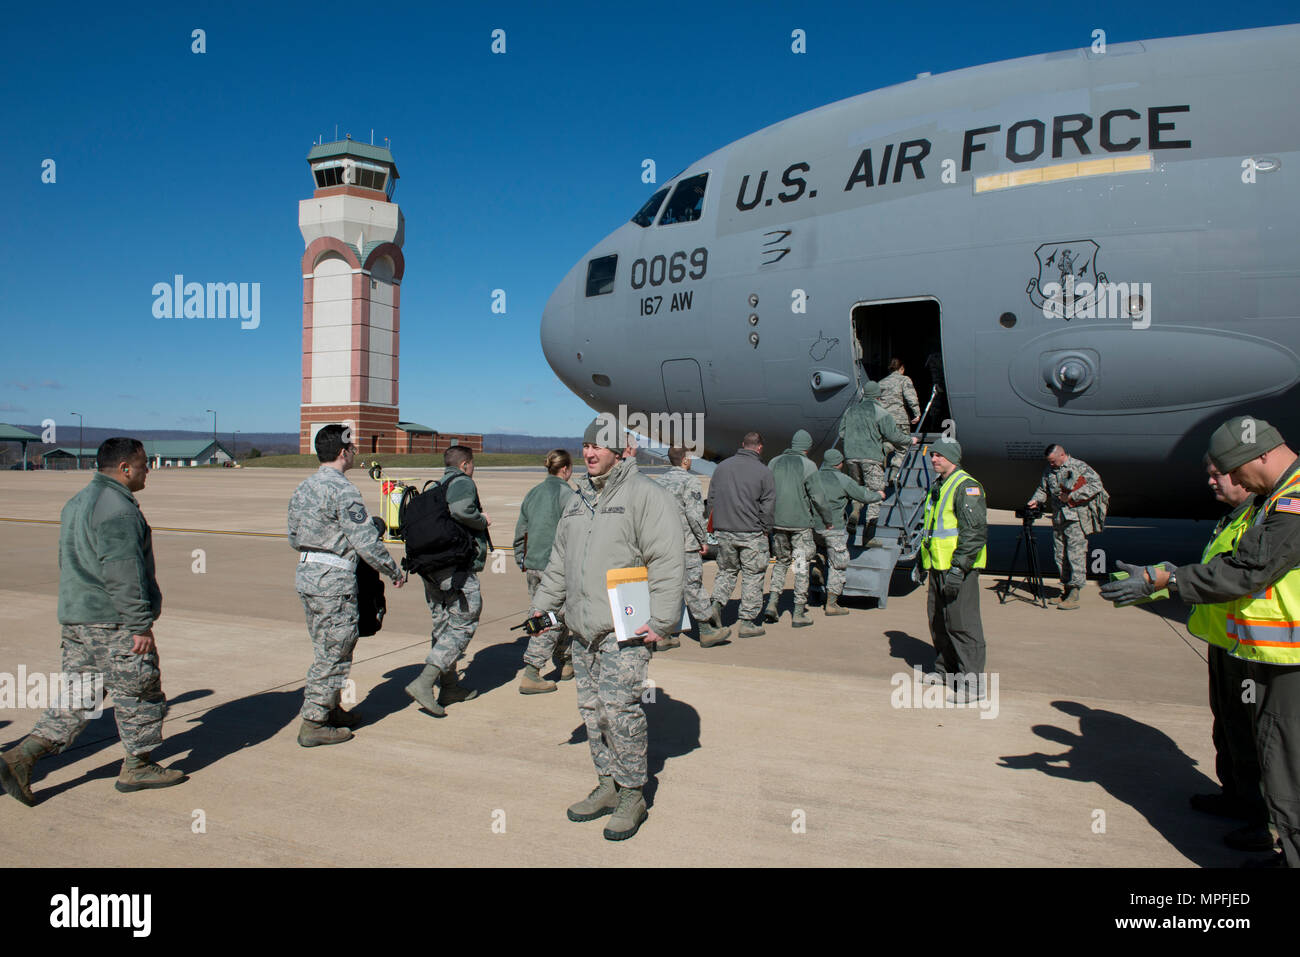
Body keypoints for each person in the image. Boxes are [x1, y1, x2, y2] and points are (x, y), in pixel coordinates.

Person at [1101, 417, 1300, 867]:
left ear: (1261, 456)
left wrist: (1163, 579)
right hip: (1265, 649)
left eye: (1232, 471)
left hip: (1289, 658)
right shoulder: (1274, 498)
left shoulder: (1292, 502)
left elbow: (1248, 570)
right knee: (1263, 750)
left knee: (1286, 768)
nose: (1229, 481)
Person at [1, 437, 186, 804]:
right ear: (124, 468)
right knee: (140, 692)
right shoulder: (117, 509)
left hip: (78, 619)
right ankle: (138, 765)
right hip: (113, 622)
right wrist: (139, 625)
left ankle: (21, 757)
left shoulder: (77, 503)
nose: (148, 469)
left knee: (81, 695)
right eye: (143, 463)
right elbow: (122, 572)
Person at [530, 417, 684, 841]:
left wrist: (664, 621)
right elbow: (559, 564)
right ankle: (606, 783)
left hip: (626, 630)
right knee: (593, 712)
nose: (589, 454)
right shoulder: (578, 500)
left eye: (598, 448)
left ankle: (632, 792)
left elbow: (668, 561)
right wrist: (540, 614)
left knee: (621, 712)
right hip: (582, 630)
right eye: (584, 447)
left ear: (620, 451)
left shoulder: (645, 496)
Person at [287, 425, 405, 746]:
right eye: (352, 449)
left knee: (326, 645)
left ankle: (331, 708)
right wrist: (392, 570)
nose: (355, 453)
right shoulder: (344, 490)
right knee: (335, 651)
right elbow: (366, 541)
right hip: (334, 581)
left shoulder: (304, 488)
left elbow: (293, 535)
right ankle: (313, 722)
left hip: (308, 574)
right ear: (343, 452)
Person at [1186, 458, 1271, 853]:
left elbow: (1231, 574)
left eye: (1218, 475)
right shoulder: (1234, 517)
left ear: (1241, 476)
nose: (1211, 482)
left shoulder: (1261, 519)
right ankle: (1234, 795)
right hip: (1222, 639)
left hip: (1247, 645)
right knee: (1227, 724)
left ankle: (1261, 821)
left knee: (1251, 735)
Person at [405, 445, 489, 718]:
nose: (473, 469)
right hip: (455, 568)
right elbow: (463, 511)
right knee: (464, 620)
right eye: (472, 464)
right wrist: (482, 520)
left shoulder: (435, 487)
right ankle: (425, 681)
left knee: (442, 625)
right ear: (465, 464)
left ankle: (450, 686)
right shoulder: (463, 482)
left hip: (432, 568)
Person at [919, 437, 988, 701]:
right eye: (933, 454)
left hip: (958, 568)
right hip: (938, 566)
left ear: (953, 458)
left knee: (963, 624)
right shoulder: (940, 484)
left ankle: (973, 685)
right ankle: (946, 670)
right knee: (938, 620)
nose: (934, 459)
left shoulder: (967, 487)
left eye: (940, 455)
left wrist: (959, 568)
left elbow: (974, 533)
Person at [654, 447, 731, 649]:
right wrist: (702, 540)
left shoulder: (658, 483)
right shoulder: (690, 482)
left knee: (668, 588)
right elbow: (695, 515)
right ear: (686, 460)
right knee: (693, 586)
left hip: (663, 544)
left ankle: (663, 635)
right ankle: (706, 631)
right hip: (686, 544)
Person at [514, 449, 576, 693]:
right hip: (555, 569)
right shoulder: (567, 494)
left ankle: (567, 660)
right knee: (550, 620)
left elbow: (521, 529)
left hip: (533, 564)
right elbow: (575, 533)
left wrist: (522, 558)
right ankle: (532, 671)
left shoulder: (533, 493)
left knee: (555, 616)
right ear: (566, 469)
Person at [763, 429, 835, 628]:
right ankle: (798, 611)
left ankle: (772, 603)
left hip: (777, 524)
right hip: (800, 525)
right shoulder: (808, 465)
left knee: (780, 562)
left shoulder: (774, 462)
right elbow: (818, 497)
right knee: (801, 566)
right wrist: (827, 519)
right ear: (807, 448)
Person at [709, 432, 775, 638]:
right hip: (752, 533)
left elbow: (711, 500)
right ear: (760, 448)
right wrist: (765, 528)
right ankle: (747, 622)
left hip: (725, 531)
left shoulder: (722, 468)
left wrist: (716, 524)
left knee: (726, 572)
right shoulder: (764, 472)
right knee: (753, 575)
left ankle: (716, 607)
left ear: (742, 445)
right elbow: (768, 506)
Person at [1026, 444, 1106, 610]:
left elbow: (1096, 485)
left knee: (1075, 554)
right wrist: (1036, 500)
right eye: (1050, 462)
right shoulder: (1050, 470)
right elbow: (1043, 488)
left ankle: (1074, 592)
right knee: (1060, 554)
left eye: (1054, 461)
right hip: (1058, 519)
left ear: (1062, 455)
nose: (1052, 465)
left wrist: (1072, 495)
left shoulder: (1079, 466)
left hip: (1075, 519)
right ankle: (1066, 589)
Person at [837, 380, 916, 545]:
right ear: (878, 396)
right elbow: (894, 436)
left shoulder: (850, 411)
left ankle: (856, 510)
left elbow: (842, 433)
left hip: (851, 458)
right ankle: (868, 535)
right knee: (876, 494)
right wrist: (910, 440)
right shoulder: (881, 413)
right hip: (871, 459)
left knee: (857, 488)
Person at [813, 449, 872, 615]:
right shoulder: (843, 479)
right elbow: (864, 495)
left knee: (818, 551)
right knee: (838, 564)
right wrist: (878, 494)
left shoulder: (813, 477)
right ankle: (831, 604)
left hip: (813, 527)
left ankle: (817, 568)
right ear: (839, 464)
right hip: (834, 527)